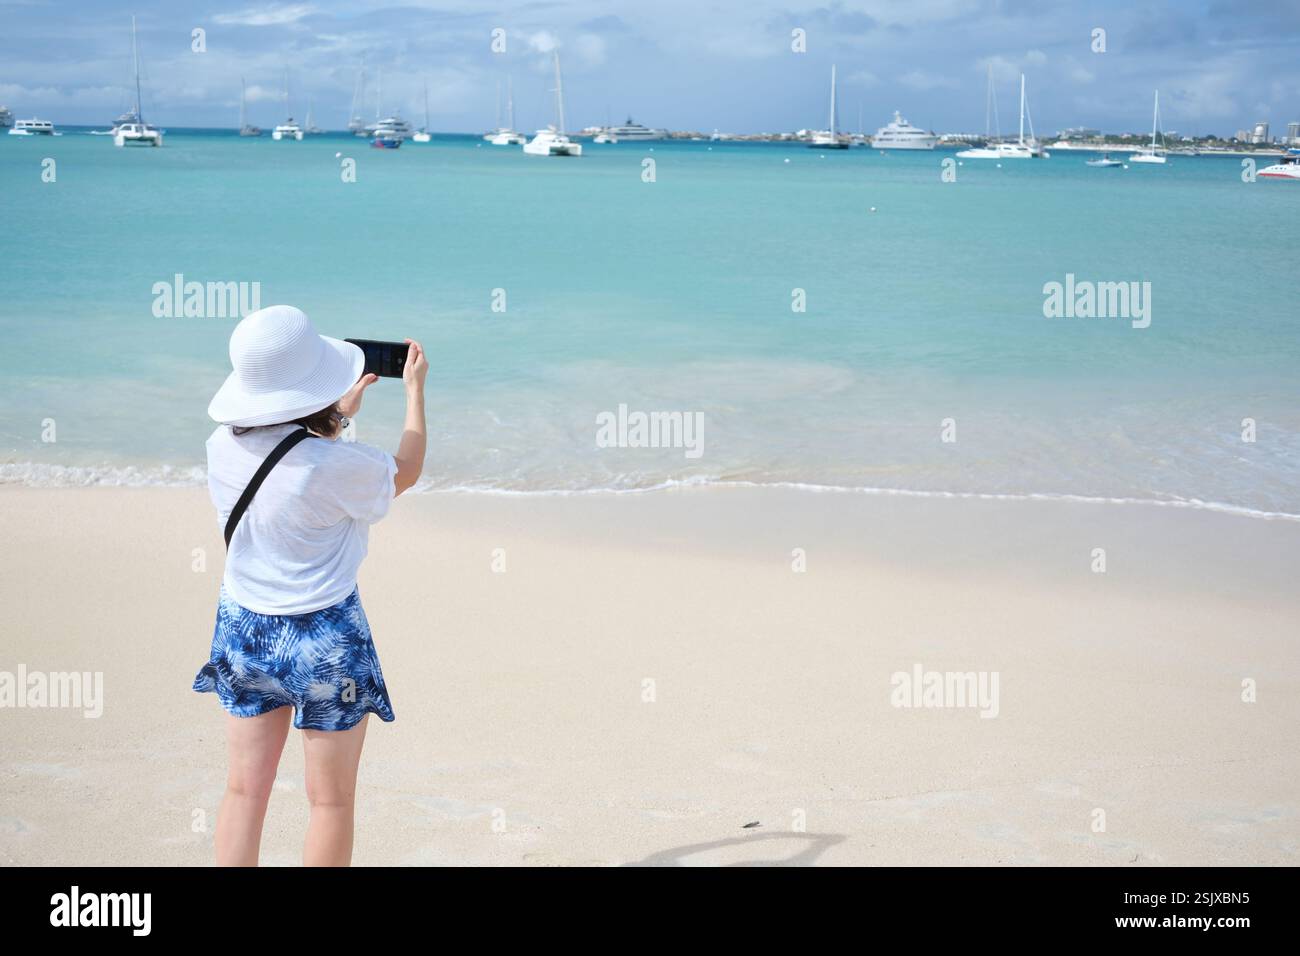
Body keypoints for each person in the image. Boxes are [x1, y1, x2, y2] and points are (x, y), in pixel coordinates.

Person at [193, 304, 428, 866]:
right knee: (329, 802)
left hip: (244, 627)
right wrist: (415, 394)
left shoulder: (220, 446)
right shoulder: (338, 467)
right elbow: (407, 469)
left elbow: (283, 454)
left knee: (244, 791)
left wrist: (334, 417)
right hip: (324, 637)